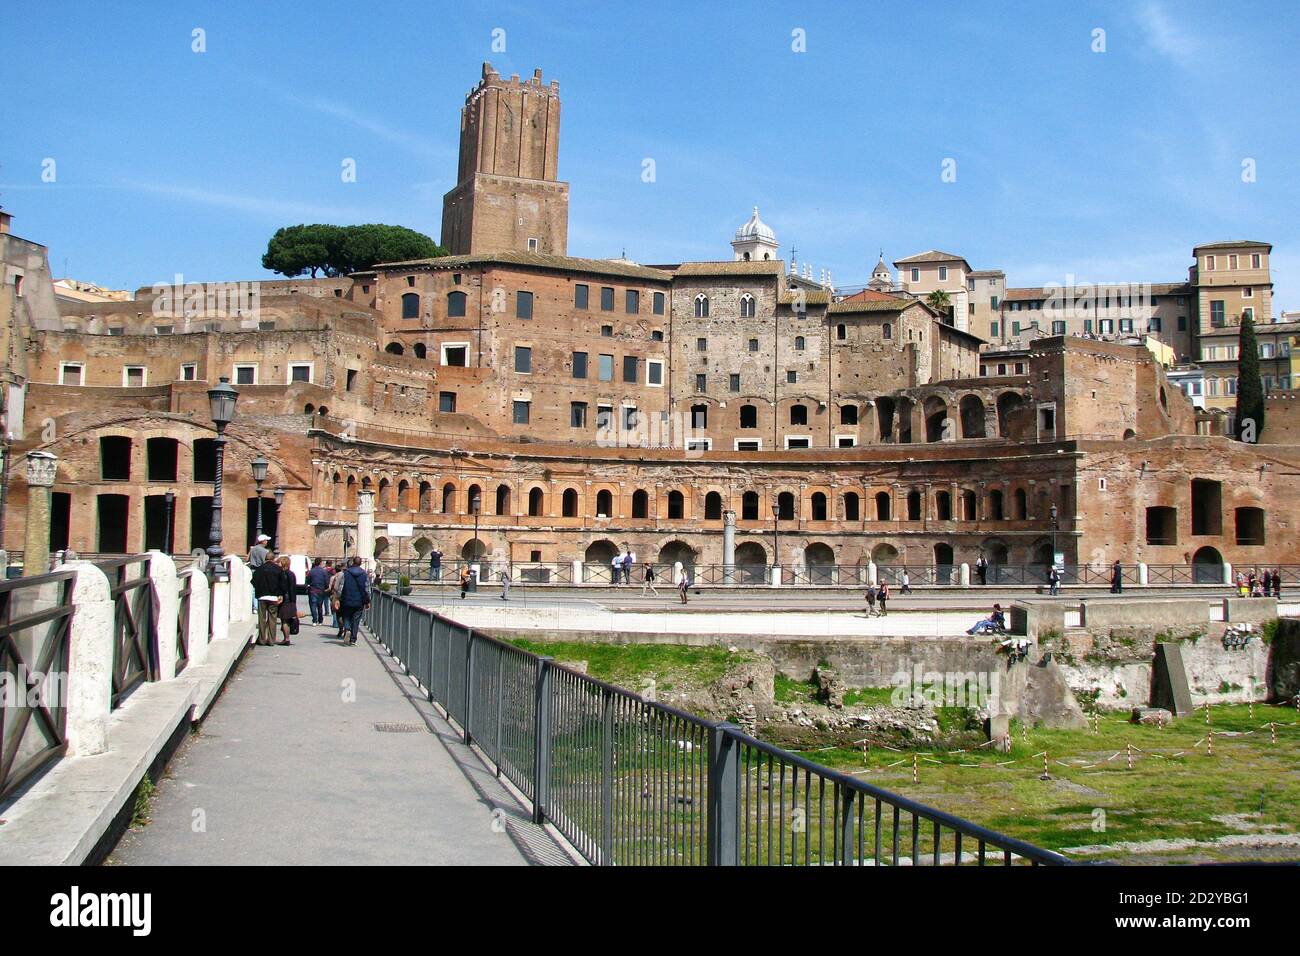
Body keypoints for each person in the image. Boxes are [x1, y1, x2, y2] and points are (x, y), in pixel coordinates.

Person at [252, 555, 288, 646]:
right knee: (272, 619)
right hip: (273, 597)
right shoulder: (278, 569)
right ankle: (271, 640)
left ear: (265, 559)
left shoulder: (259, 569)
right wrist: (281, 594)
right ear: (273, 559)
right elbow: (283, 583)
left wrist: (259, 589)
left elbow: (253, 581)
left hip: (262, 597)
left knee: (262, 619)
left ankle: (262, 639)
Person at [337, 556, 370, 646]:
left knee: (346, 616)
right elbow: (367, 589)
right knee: (356, 620)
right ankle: (353, 639)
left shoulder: (346, 573)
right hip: (359, 601)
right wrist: (367, 601)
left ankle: (347, 629)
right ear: (360, 563)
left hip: (346, 599)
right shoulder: (364, 574)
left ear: (353, 563)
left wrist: (338, 598)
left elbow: (341, 587)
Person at [274, 555, 297, 644]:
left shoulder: (283, 574)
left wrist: (280, 595)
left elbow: (284, 587)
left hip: (285, 600)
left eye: (279, 563)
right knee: (287, 620)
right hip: (291, 599)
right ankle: (286, 638)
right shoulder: (292, 573)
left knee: (284, 620)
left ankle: (286, 639)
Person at [306, 557, 331, 625]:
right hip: (321, 590)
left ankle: (314, 620)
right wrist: (326, 588)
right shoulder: (324, 571)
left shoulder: (311, 571)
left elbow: (308, 580)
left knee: (313, 605)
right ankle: (320, 620)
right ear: (320, 563)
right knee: (319, 606)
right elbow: (326, 582)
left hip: (313, 590)